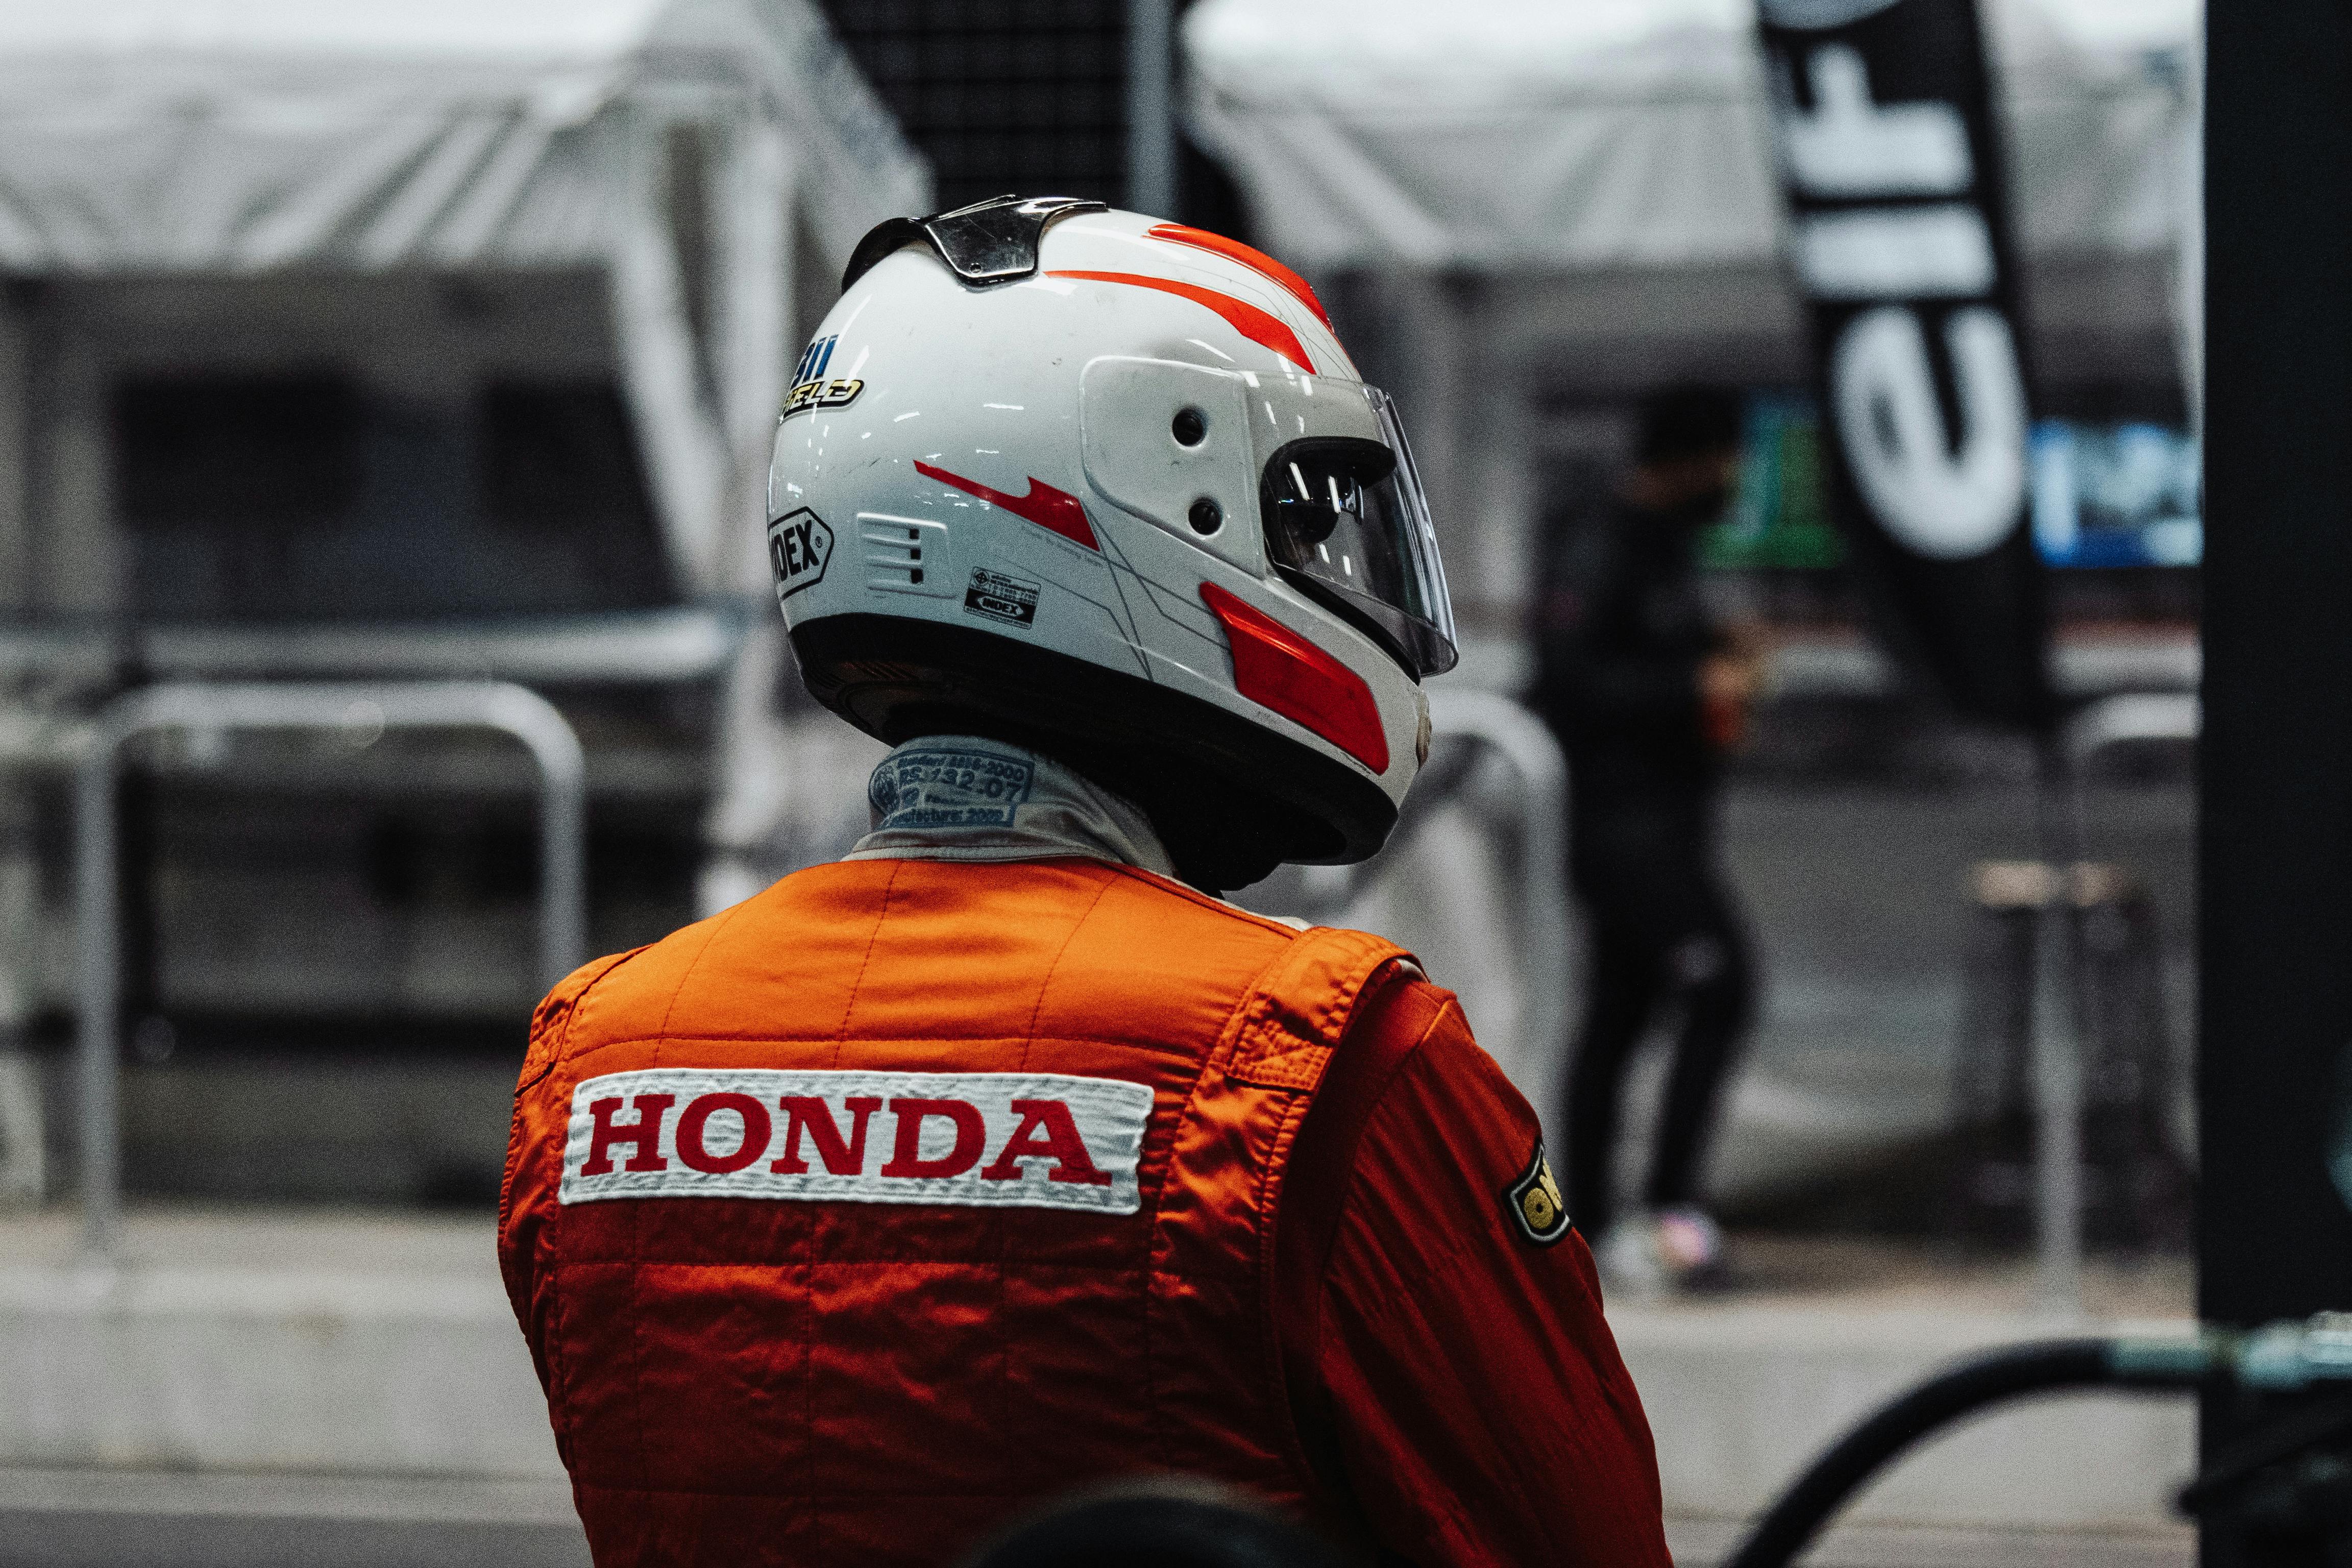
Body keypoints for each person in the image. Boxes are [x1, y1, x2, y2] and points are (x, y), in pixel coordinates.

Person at [499, 197, 1670, 1568]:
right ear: (1148, 491)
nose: (1334, 572)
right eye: (1301, 516)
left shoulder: (594, 1063)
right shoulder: (1326, 1062)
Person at [1530, 384, 1761, 1296]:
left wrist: (1721, 656)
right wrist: (1697, 684)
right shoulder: (1603, 540)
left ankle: (1586, 1229)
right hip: (1619, 828)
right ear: (1694, 457)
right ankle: (1663, 1213)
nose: (1737, 480)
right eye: (1729, 458)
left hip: (1667, 823)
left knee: (1621, 1012)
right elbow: (1570, 682)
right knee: (1719, 984)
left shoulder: (1670, 550)